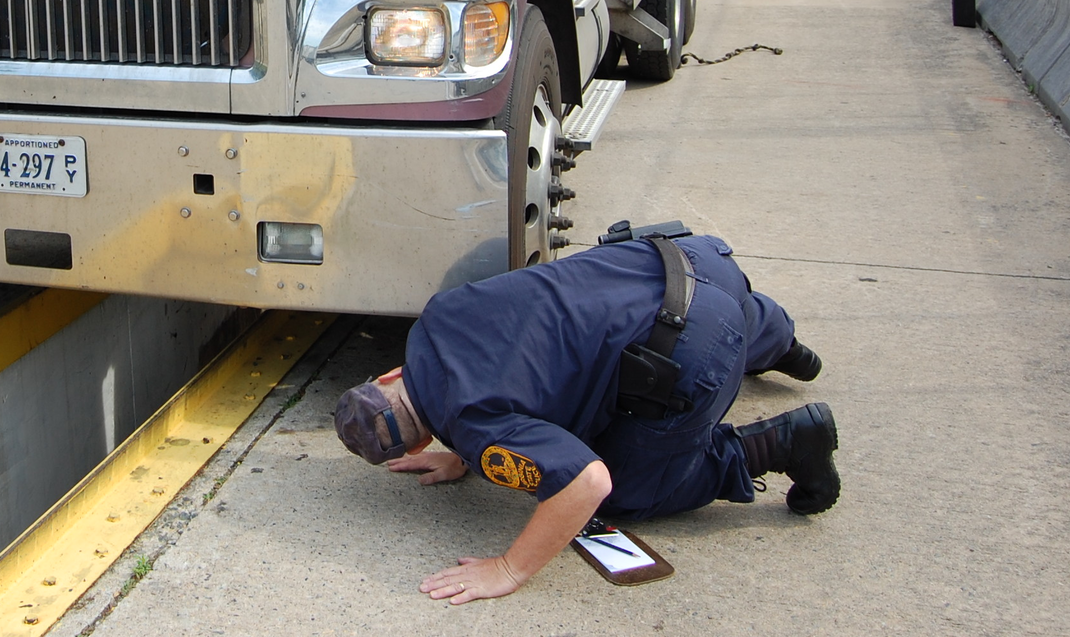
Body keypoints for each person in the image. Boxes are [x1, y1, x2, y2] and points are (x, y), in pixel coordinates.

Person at [333, 233, 838, 604]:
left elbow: (585, 484)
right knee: (723, 310)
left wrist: (509, 568)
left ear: (417, 446)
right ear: (387, 376)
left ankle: (782, 443)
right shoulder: (435, 318)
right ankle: (783, 343)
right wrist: (465, 452)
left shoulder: (475, 426)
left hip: (695, 336)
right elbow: (495, 364)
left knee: (625, 492)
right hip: (677, 257)